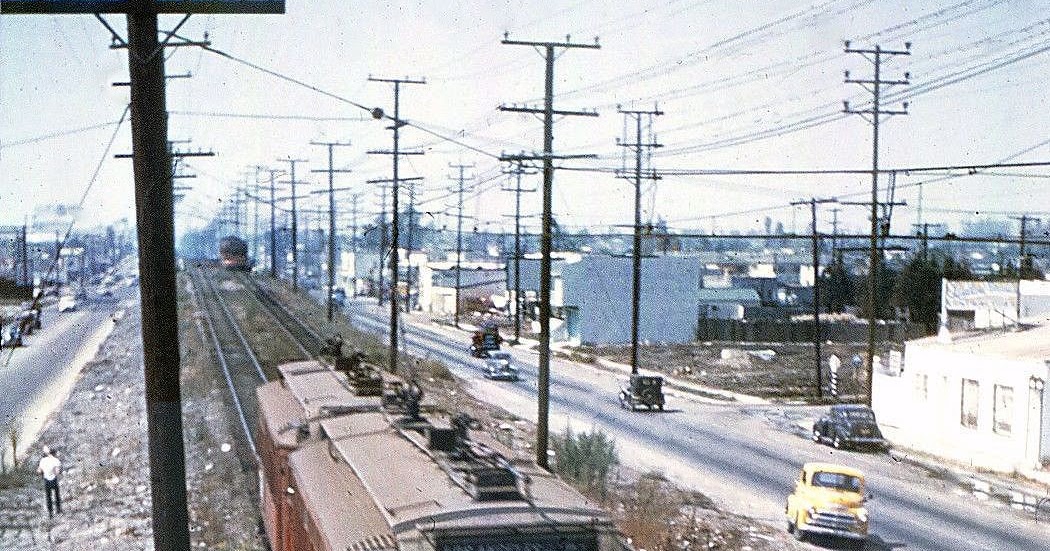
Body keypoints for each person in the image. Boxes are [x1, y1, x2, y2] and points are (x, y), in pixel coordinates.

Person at [37, 446, 62, 518]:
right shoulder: (56, 460)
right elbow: (57, 472)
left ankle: (50, 513)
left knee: (48, 496)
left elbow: (39, 471)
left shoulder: (42, 460)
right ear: (54, 454)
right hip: (53, 479)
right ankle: (58, 509)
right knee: (56, 494)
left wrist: (44, 471)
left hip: (46, 480)